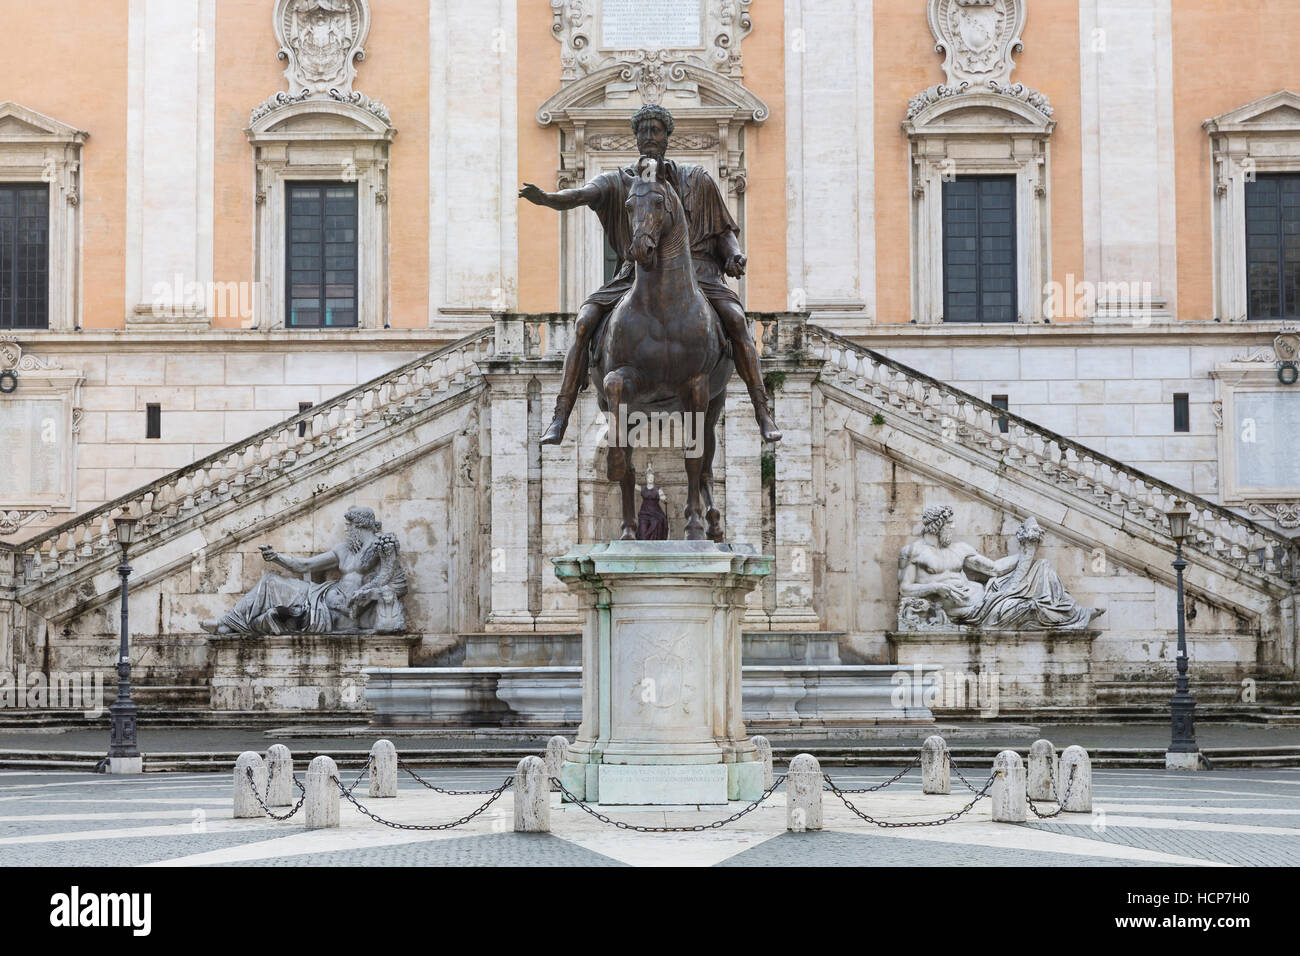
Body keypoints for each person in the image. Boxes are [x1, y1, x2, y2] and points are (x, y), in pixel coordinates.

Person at [519, 103, 781, 447]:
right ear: (636, 137)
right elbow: (582, 194)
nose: (648, 137)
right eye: (642, 131)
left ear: (667, 136)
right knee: (584, 322)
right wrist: (550, 198)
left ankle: (762, 411)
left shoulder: (697, 179)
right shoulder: (619, 181)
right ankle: (561, 415)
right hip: (634, 276)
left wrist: (733, 255)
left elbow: (723, 229)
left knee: (735, 319)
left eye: (655, 130)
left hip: (699, 274)